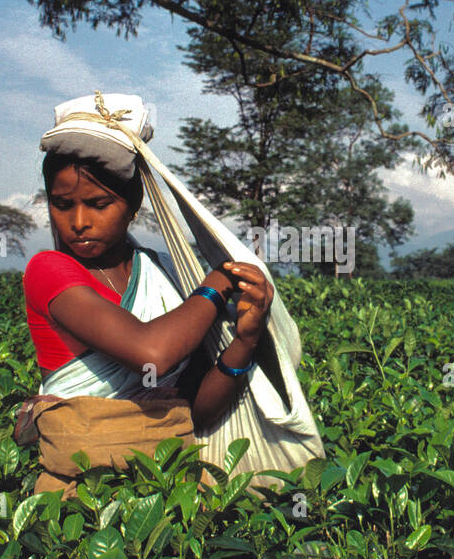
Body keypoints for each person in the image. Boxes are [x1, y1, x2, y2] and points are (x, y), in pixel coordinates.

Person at [19, 147, 274, 496]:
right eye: (63, 205)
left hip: (173, 494)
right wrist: (216, 284)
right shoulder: (48, 270)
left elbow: (196, 412)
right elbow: (152, 355)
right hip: (83, 501)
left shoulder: (166, 274)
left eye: (98, 204)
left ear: (133, 205)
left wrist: (244, 343)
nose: (78, 222)